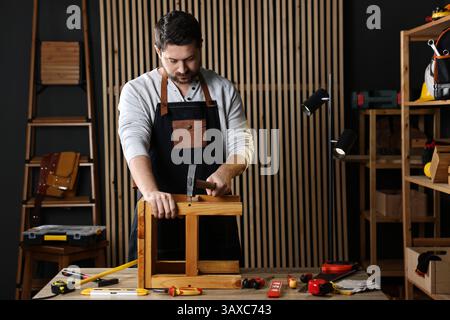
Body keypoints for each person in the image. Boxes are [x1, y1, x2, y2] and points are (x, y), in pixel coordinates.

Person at [118, 11, 254, 262]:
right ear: (157, 50)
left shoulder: (223, 89)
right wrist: (150, 193)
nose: (182, 69)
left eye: (190, 59)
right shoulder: (137, 91)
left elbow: (243, 144)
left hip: (214, 218)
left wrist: (227, 171)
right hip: (158, 215)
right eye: (172, 60)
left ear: (200, 46)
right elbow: (133, 142)